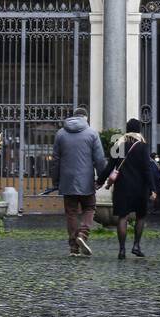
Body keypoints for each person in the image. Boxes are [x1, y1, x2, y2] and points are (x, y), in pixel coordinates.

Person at [50, 106, 107, 256]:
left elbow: (55, 160)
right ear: (86, 118)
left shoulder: (60, 134)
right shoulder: (92, 133)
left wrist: (56, 181)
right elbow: (99, 159)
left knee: (71, 212)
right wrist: (101, 179)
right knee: (90, 207)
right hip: (86, 180)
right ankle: (83, 234)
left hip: (67, 180)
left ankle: (73, 247)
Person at [101, 118, 159, 259]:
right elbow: (147, 170)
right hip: (140, 188)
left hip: (122, 187)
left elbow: (109, 167)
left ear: (127, 130)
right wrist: (153, 188)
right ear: (139, 130)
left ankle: (121, 250)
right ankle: (136, 246)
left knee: (123, 217)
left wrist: (99, 181)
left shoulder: (118, 144)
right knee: (140, 216)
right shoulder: (142, 146)